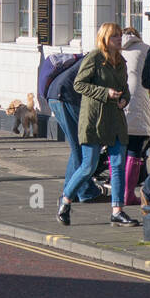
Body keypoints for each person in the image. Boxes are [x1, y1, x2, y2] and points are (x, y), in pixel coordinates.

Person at [56, 22, 138, 227]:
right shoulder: (94, 58)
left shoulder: (121, 61)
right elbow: (79, 84)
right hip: (94, 120)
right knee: (88, 166)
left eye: (120, 36)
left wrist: (124, 99)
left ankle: (117, 210)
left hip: (115, 120)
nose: (119, 39)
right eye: (114, 37)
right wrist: (105, 93)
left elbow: (125, 88)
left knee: (117, 165)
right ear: (104, 39)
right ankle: (65, 200)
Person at [45, 55, 108, 204]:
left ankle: (71, 191)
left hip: (56, 95)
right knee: (82, 146)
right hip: (66, 97)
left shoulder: (95, 56)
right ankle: (85, 191)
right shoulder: (102, 59)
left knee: (77, 147)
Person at [121, 26, 150, 206]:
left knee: (117, 148)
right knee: (135, 147)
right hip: (138, 102)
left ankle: (118, 194)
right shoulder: (146, 49)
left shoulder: (114, 49)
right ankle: (128, 193)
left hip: (117, 100)